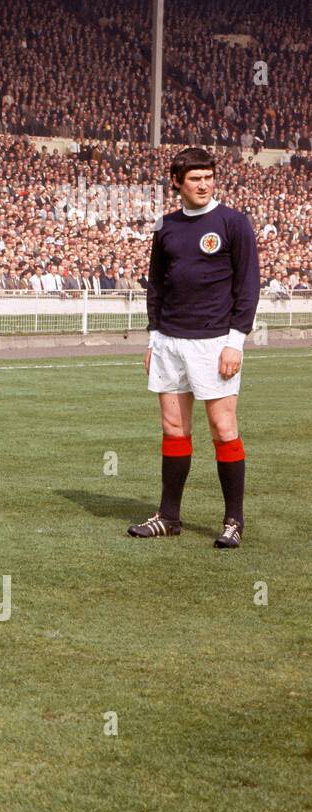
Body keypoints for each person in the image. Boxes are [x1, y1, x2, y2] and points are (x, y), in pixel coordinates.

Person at [129, 148, 260, 549]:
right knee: (173, 429)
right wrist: (154, 339)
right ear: (176, 183)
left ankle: (233, 521)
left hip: (214, 342)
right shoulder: (164, 226)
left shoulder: (233, 223)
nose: (203, 185)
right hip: (169, 340)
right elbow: (157, 286)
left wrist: (235, 342)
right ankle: (169, 516)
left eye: (208, 177)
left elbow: (248, 286)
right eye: (194, 179)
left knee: (223, 429)